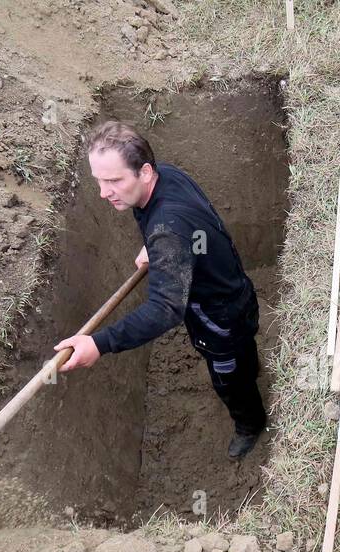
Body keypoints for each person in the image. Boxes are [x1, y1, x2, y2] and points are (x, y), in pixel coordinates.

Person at [55, 121, 267, 459]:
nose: (103, 192)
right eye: (98, 180)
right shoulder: (168, 178)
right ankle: (249, 366)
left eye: (113, 181)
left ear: (144, 172)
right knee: (242, 356)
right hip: (235, 291)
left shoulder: (168, 228)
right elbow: (181, 227)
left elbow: (165, 309)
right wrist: (158, 248)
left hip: (219, 320)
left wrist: (99, 343)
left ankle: (250, 423)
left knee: (229, 380)